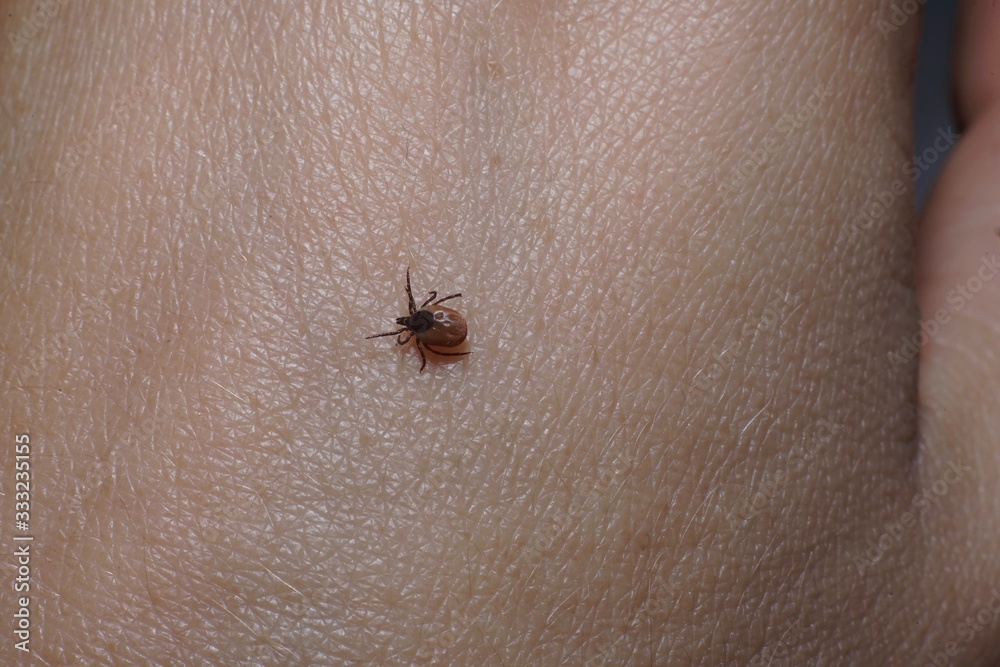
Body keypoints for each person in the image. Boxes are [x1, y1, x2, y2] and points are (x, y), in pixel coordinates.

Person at [2, 2, 998, 663]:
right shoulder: (433, 330)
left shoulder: (430, 334)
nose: (413, 321)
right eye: (413, 322)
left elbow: (438, 334)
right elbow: (439, 330)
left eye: (413, 318)